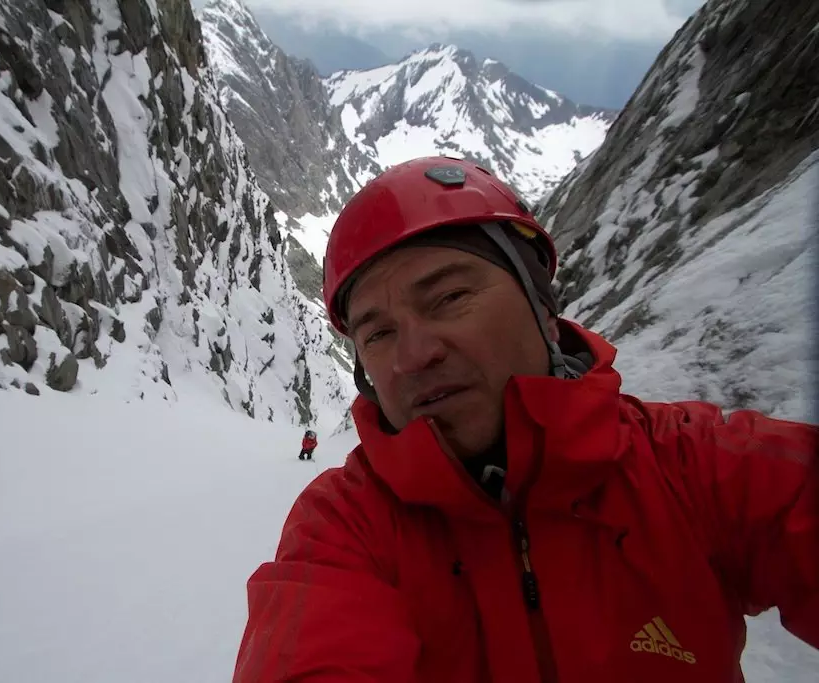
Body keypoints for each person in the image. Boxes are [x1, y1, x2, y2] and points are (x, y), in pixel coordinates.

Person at [233, 156, 818, 682]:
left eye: (449, 299)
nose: (413, 357)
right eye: (378, 333)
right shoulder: (345, 526)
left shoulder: (694, 468)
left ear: (542, 306)